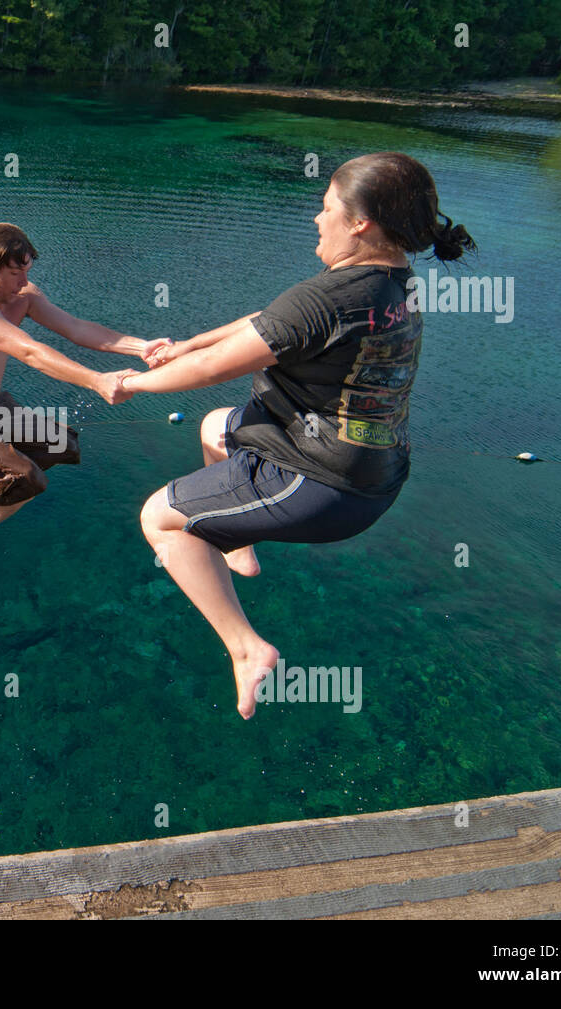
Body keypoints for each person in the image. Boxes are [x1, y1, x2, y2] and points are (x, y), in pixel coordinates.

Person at [120, 152, 476, 719]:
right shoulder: (393, 284)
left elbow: (219, 367)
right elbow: (270, 320)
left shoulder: (330, 296)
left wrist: (135, 385)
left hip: (322, 485)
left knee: (159, 518)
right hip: (374, 472)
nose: (317, 218)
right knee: (216, 426)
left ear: (360, 223)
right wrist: (187, 343)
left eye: (327, 207)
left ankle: (246, 647)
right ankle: (240, 548)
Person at [0, 223, 170, 571]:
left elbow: (77, 328)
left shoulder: (22, 297)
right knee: (27, 479)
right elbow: (31, 353)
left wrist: (142, 347)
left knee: (62, 445)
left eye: (26, 271)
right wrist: (97, 381)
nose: (23, 282)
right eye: (14, 273)